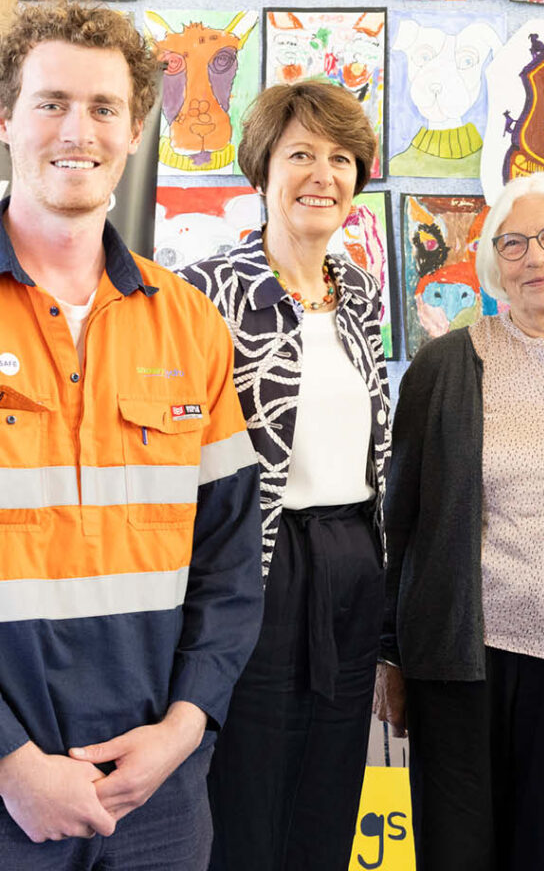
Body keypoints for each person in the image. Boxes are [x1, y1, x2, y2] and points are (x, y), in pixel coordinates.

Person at [0, 2, 262, 869]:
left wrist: (183, 730)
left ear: (136, 128)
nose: (78, 130)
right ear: (7, 119)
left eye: (105, 108)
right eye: (51, 103)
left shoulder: (189, 323)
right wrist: (11, 764)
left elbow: (229, 561)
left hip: (159, 794)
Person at [374, 171, 544, 871]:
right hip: (465, 664)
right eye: (515, 243)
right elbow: (399, 517)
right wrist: (391, 656)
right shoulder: (448, 365)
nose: (536, 257)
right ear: (495, 263)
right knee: (458, 852)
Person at [180, 79, 390, 871]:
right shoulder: (205, 291)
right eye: (301, 153)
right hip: (254, 566)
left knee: (331, 785)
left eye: (341, 158)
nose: (322, 175)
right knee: (247, 789)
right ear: (262, 169)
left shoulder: (361, 292)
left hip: (350, 561)